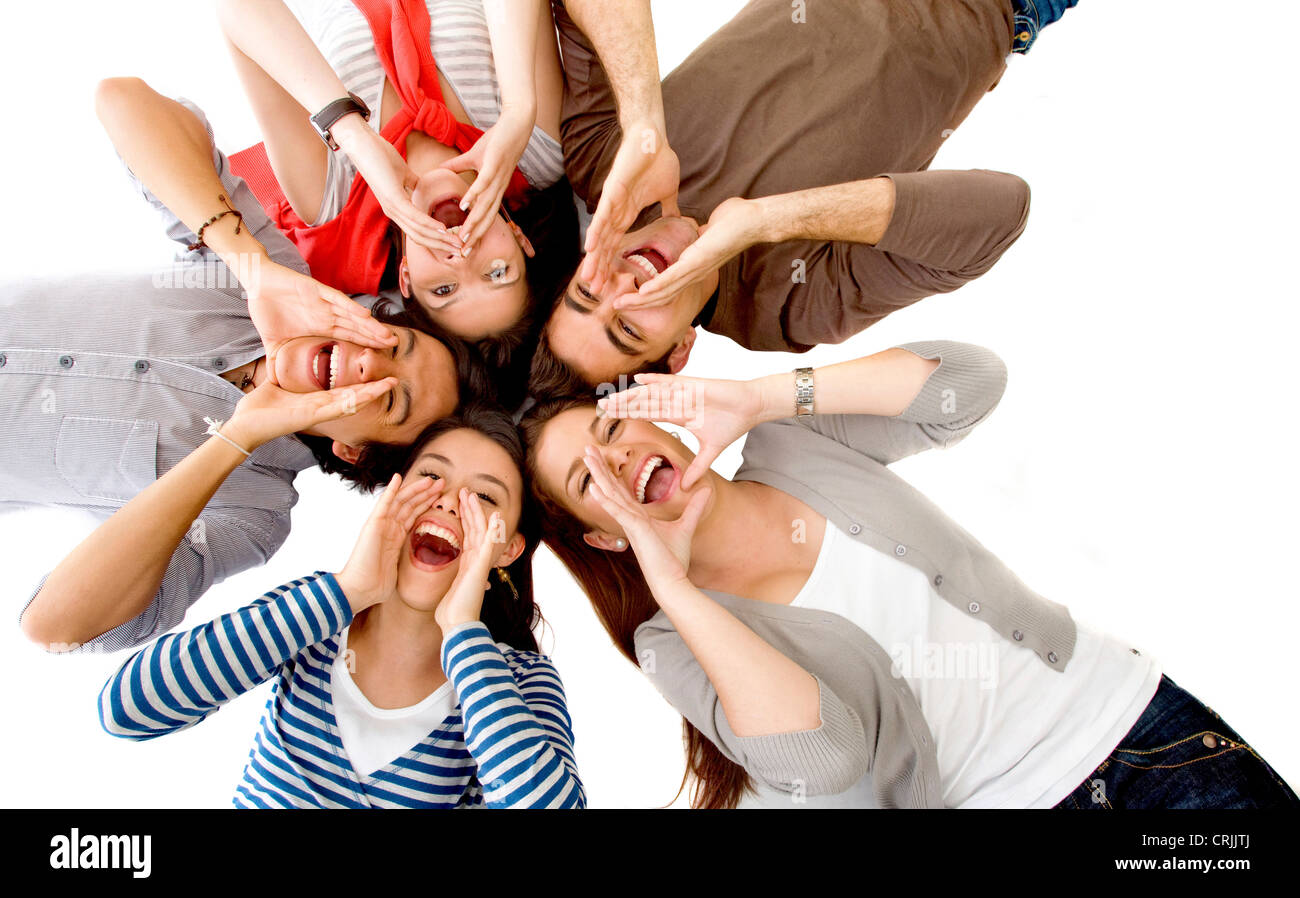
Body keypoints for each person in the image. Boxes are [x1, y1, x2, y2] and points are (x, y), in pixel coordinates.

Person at [520, 345, 1300, 809]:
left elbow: (971, 383)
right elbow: (823, 758)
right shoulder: (673, 639)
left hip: (1141, 731)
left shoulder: (793, 445)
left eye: (612, 429)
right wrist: (677, 588)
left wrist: (764, 395)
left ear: (653, 413)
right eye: (589, 479)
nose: (617, 459)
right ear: (601, 535)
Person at [4, 84, 489, 654]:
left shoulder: (253, 513)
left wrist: (235, 439)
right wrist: (251, 265)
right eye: (393, 344)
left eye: (388, 398)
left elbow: (55, 627)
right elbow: (123, 101)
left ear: (355, 452)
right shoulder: (267, 279)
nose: (368, 362)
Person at [529, 0, 1081, 395]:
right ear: (678, 353)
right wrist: (764, 221)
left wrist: (644, 120)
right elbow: (1003, 212)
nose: (623, 290)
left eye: (587, 293)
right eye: (627, 329)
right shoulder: (787, 309)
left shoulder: (604, 166)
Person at [99, 405, 585, 809]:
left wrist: (463, 631)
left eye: (483, 496)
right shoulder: (317, 615)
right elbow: (128, 709)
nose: (451, 503)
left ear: (507, 550)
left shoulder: (519, 680)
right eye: (431, 476)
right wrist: (347, 593)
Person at [215, 0, 580, 373]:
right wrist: (518, 108)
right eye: (497, 272)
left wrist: (352, 133)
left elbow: (237, 9)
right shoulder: (533, 149)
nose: (462, 257)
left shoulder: (331, 198)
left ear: (406, 277)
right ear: (520, 240)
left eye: (443, 290)